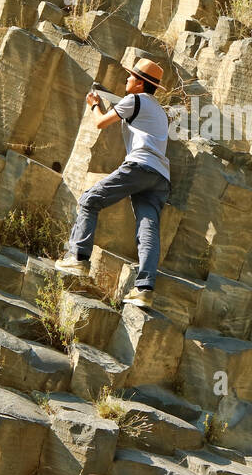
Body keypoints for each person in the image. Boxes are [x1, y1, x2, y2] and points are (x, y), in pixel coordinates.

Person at [56, 58, 170, 308]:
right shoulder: (159, 111)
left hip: (139, 166)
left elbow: (100, 122)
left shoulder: (134, 100)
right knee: (147, 228)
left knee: (89, 199)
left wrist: (95, 104)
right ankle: (144, 290)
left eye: (130, 77)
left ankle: (78, 258)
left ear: (140, 83)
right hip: (161, 177)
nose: (125, 80)